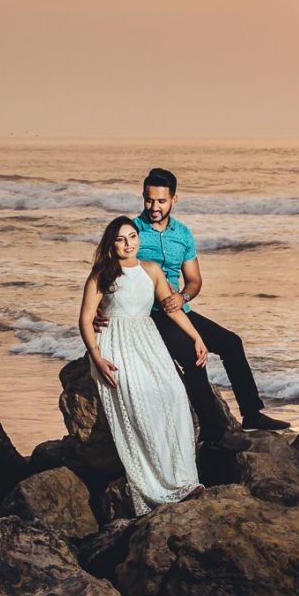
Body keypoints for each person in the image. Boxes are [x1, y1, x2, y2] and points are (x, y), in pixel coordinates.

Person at [99, 167, 290, 450]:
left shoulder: (184, 235)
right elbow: (106, 271)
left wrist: (184, 297)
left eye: (161, 201)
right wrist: (100, 310)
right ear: (143, 197)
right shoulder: (131, 232)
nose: (154, 207)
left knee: (231, 343)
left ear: (174, 199)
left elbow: (195, 280)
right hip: (147, 316)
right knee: (193, 355)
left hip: (178, 310)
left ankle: (251, 414)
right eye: (150, 200)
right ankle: (214, 433)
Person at [78, 215, 207, 514]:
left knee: (174, 392)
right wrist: (96, 356)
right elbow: (85, 319)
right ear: (111, 244)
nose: (128, 244)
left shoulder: (151, 270)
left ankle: (185, 481)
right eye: (121, 239)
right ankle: (156, 486)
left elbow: (172, 308)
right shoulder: (102, 274)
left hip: (147, 338)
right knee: (140, 398)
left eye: (132, 237)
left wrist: (196, 337)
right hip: (116, 341)